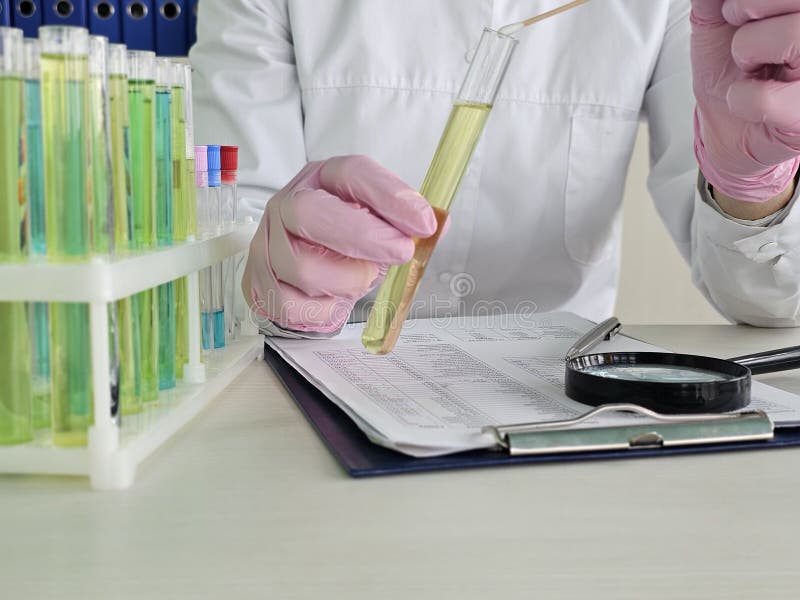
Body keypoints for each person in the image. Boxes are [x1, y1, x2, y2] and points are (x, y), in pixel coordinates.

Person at [192, 0, 800, 337]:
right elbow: (223, 235)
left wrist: (752, 188)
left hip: (562, 401)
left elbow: (763, 304)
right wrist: (274, 275)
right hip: (316, 387)